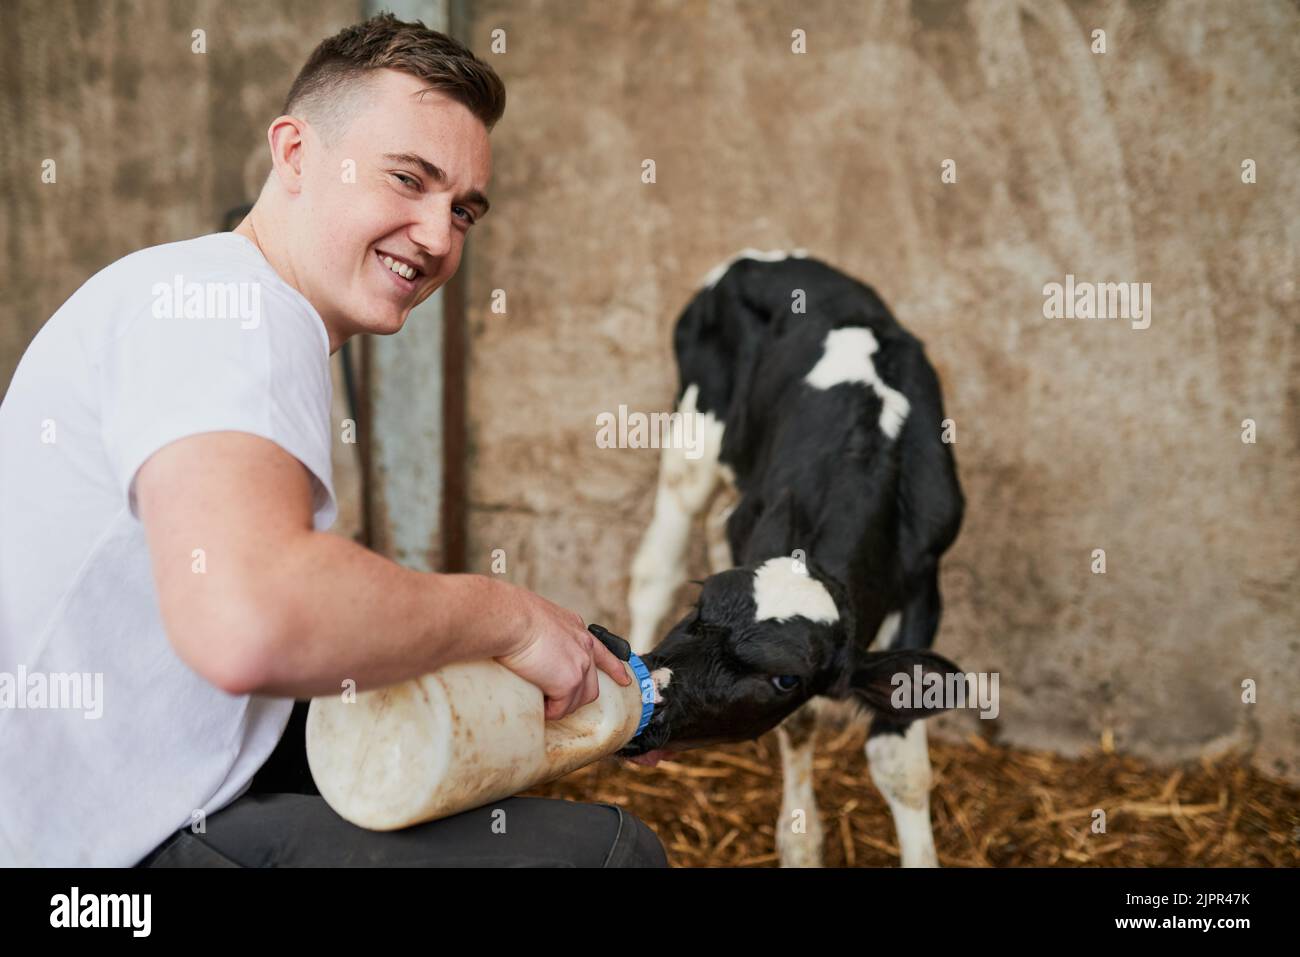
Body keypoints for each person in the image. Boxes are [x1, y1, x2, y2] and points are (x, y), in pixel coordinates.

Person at [0, 12, 668, 869]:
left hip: (126, 792)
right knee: (612, 857)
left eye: (463, 210)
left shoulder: (201, 295)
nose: (436, 236)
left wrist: (594, 695)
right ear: (294, 154)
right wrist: (503, 616)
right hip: (91, 863)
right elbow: (249, 620)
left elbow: (303, 625)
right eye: (406, 179)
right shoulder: (229, 309)